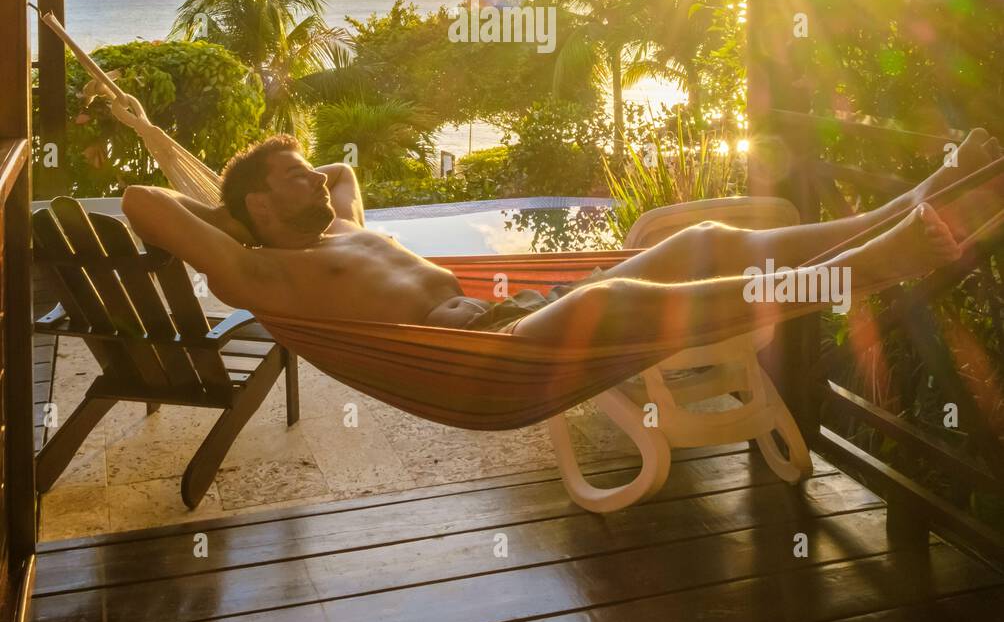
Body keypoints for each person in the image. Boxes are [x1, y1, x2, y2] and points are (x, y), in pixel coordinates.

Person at [121, 130, 1001, 354]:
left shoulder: (341, 225)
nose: (319, 180)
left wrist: (290, 185)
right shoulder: (260, 275)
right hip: (484, 352)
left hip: (520, 313)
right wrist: (236, 218)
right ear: (256, 208)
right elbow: (142, 199)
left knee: (704, 239)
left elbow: (344, 172)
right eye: (294, 178)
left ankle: (905, 205)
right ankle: (866, 268)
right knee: (612, 298)